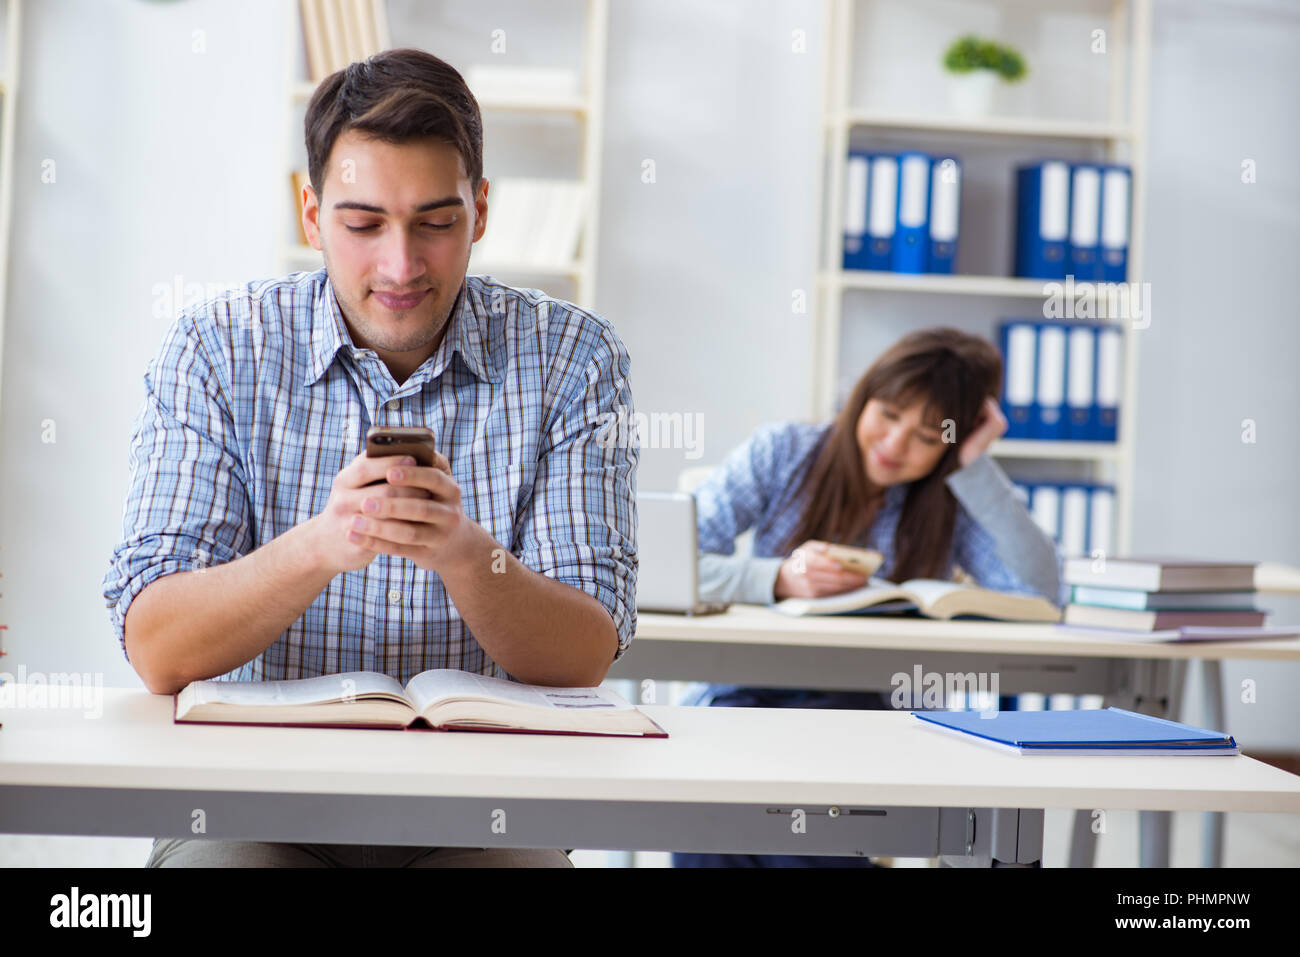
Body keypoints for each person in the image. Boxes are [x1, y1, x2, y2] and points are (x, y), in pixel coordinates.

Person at [101, 49, 638, 868]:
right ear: (310, 213)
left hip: (483, 810)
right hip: (253, 803)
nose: (401, 266)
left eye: (436, 221)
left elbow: (584, 655)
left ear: (482, 211)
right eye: (362, 224)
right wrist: (320, 545)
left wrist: (463, 554)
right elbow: (158, 647)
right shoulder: (216, 348)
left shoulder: (574, 359)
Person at [671, 327, 1066, 868]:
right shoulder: (784, 452)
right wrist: (775, 579)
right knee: (721, 803)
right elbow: (666, 563)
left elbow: (1043, 592)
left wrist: (974, 466)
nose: (895, 445)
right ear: (863, 398)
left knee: (795, 817)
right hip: (751, 694)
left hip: (875, 708)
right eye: (888, 414)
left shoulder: (949, 494)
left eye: (928, 437)